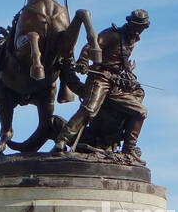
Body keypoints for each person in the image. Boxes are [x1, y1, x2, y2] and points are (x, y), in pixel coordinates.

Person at [53, 9, 150, 158]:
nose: (139, 31)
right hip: (100, 79)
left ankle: (128, 151)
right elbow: (90, 46)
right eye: (137, 27)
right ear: (130, 23)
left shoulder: (132, 39)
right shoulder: (112, 34)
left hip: (116, 84)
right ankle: (62, 139)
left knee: (140, 112)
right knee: (89, 109)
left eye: (142, 28)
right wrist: (83, 61)